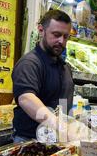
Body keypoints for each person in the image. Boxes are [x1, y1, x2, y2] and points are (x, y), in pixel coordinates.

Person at [11, 10, 75, 142]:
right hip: (30, 142)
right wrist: (58, 125)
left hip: (57, 141)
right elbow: (26, 98)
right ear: (41, 30)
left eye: (66, 36)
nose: (61, 41)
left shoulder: (64, 67)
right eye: (56, 35)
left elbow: (62, 101)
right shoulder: (29, 63)